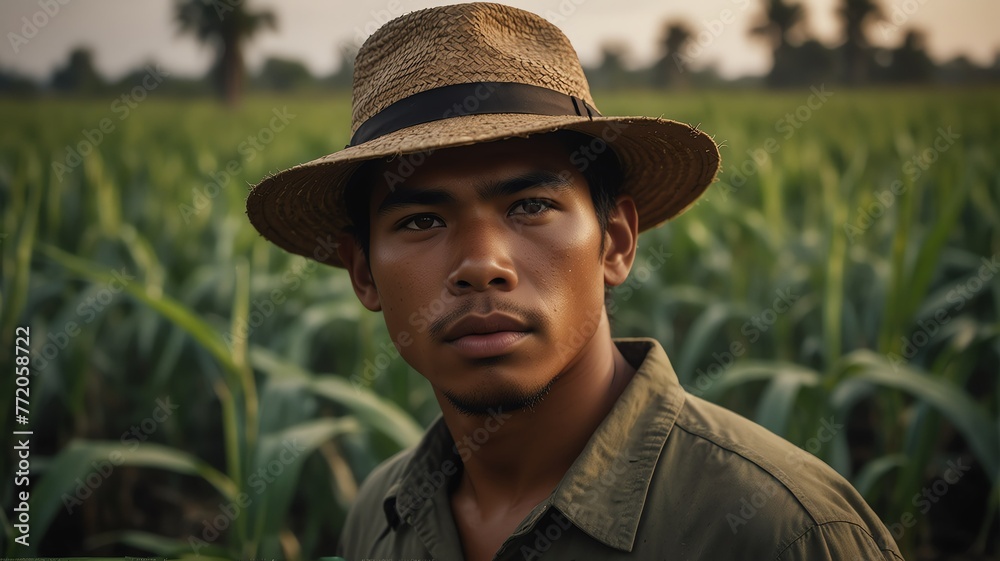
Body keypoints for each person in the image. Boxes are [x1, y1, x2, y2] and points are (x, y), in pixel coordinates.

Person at [247, 3, 903, 560]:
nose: (482, 263)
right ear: (364, 272)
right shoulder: (380, 517)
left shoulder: (783, 530)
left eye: (530, 206)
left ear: (615, 242)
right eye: (421, 218)